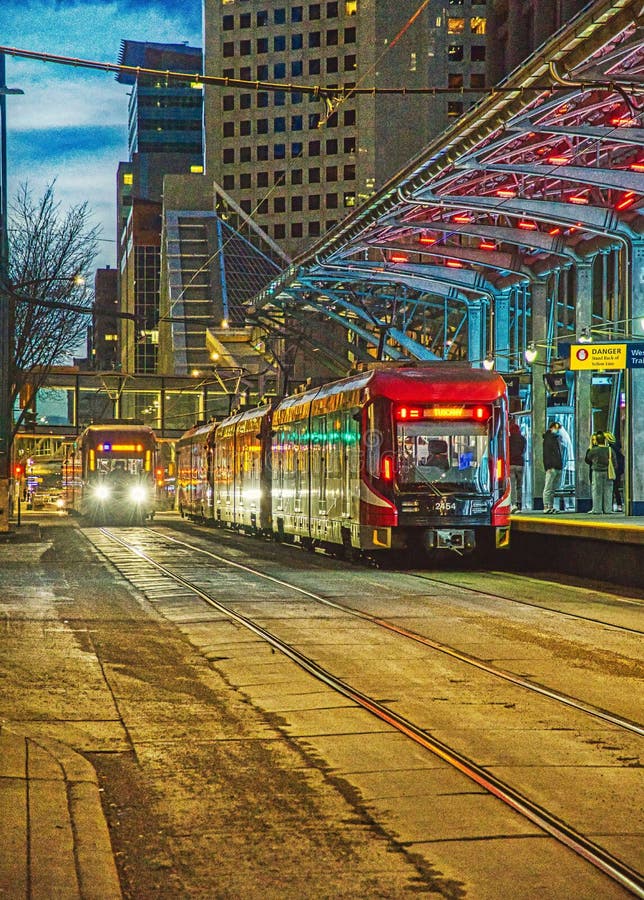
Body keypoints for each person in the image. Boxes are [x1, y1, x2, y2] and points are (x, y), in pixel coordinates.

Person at [585, 431, 617, 514]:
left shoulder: (594, 450)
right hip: (608, 472)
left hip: (596, 472)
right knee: (608, 490)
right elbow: (615, 462)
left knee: (596, 490)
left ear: (597, 441)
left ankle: (597, 509)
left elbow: (588, 458)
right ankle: (608, 509)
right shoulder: (610, 450)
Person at [542, 421, 563, 514]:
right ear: (551, 428)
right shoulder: (548, 439)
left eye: (558, 428)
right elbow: (546, 454)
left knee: (552, 488)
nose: (557, 430)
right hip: (552, 467)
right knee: (548, 487)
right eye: (556, 428)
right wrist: (548, 466)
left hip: (557, 466)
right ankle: (546, 506)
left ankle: (550, 506)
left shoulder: (556, 439)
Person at [508, 422, 526, 513]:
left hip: (511, 464)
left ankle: (513, 505)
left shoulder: (509, 439)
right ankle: (519, 504)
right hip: (520, 464)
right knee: (519, 486)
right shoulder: (523, 439)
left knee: (512, 486)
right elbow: (524, 450)